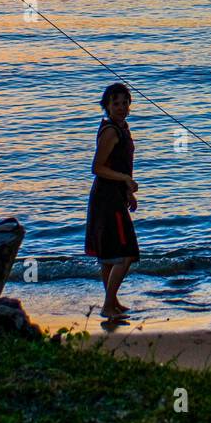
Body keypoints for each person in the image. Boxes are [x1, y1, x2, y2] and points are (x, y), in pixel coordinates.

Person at [85, 82, 140, 320]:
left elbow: (120, 163)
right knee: (126, 253)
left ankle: (112, 301)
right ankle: (107, 306)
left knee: (108, 256)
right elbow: (97, 167)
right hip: (106, 199)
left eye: (124, 103)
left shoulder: (122, 128)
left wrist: (128, 191)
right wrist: (125, 179)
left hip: (114, 196)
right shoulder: (110, 131)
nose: (120, 107)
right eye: (115, 103)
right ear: (106, 106)